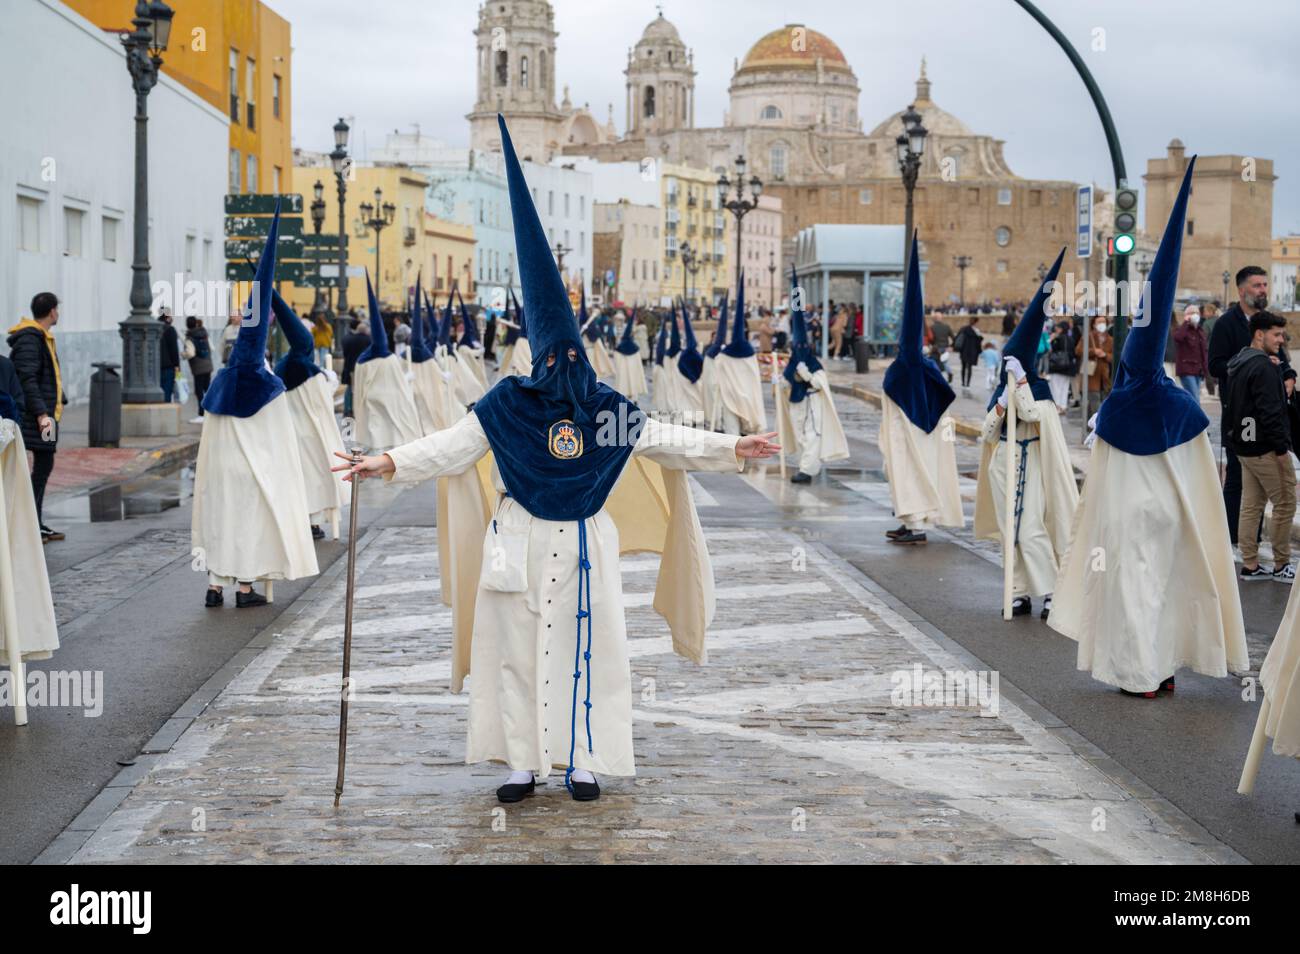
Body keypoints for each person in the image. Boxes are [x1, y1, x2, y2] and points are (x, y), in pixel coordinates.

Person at [334, 115, 781, 803]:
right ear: (541, 355)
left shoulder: (600, 404)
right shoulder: (509, 403)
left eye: (573, 355)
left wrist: (733, 448)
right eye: (556, 356)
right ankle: (520, 761)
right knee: (511, 653)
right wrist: (386, 462)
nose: (565, 365)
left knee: (592, 652)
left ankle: (582, 760)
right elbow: (455, 445)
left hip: (583, 542)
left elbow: (659, 436)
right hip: (516, 539)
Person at [1051, 157, 1248, 697]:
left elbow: (1099, 480)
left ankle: (1140, 672)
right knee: (1164, 586)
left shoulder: (1114, 410)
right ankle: (1161, 669)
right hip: (1172, 515)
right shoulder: (1185, 412)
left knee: (1133, 589)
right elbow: (1206, 480)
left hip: (1127, 519)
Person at [193, 205, 319, 608]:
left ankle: (214, 587)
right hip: (252, 472)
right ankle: (245, 590)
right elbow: (280, 441)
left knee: (220, 524)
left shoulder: (219, 383)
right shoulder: (270, 387)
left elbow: (207, 438)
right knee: (247, 527)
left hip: (222, 470)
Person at [974, 252, 1079, 620]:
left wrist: (1020, 385)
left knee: (1031, 528)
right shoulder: (1002, 390)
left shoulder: (1040, 389)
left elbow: (1035, 415)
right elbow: (987, 433)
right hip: (1004, 461)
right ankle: (1017, 591)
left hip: (1031, 461)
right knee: (1010, 534)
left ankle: (1050, 589)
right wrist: (1001, 404)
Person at [876, 239, 962, 541]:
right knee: (904, 474)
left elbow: (895, 389)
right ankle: (908, 519)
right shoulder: (922, 365)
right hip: (914, 430)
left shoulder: (909, 367)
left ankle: (916, 525)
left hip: (910, 433)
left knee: (911, 473)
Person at [1208, 264, 1283, 549]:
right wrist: (1253, 365)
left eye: (1265, 285)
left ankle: (1252, 537)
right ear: (1242, 291)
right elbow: (1215, 365)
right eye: (1257, 286)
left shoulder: (1269, 322)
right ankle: (1231, 538)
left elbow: (1283, 357)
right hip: (1241, 416)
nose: (1263, 290)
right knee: (1238, 477)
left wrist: (1288, 376)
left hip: (1269, 414)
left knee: (1263, 480)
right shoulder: (1227, 324)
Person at [1223, 310, 1296, 582]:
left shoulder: (1241, 360)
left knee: (1251, 506)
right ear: (1259, 333)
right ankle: (1281, 564)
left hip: (1245, 446)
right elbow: (1270, 412)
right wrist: (1280, 450)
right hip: (1265, 448)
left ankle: (1251, 565)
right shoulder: (1263, 366)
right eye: (1276, 334)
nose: (1281, 340)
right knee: (1286, 502)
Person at [780, 267, 849, 485]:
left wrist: (806, 373)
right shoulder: (793, 361)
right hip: (796, 403)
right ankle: (805, 466)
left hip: (812, 402)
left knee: (812, 436)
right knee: (800, 436)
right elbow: (786, 381)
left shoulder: (814, 364)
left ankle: (807, 470)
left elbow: (820, 383)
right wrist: (780, 381)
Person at [7, 291, 66, 543]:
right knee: (41, 465)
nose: (58, 313)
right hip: (39, 416)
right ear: (52, 311)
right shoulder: (31, 338)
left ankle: (35, 522)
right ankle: (29, 524)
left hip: (46, 414)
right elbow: (27, 379)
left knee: (44, 463)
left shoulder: (40, 337)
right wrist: (42, 413)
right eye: (57, 309)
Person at [353, 275, 423, 451]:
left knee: (375, 430)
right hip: (388, 400)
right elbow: (399, 380)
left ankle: (375, 453)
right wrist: (406, 378)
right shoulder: (390, 359)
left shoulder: (362, 361)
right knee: (386, 431)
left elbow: (359, 388)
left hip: (372, 400)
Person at [714, 279, 767, 435]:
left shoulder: (723, 355)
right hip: (747, 397)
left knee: (732, 432)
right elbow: (754, 379)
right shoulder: (750, 353)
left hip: (729, 395)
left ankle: (734, 454)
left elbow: (718, 372)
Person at [1172, 303, 1208, 402]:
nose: (1195, 315)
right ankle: (1198, 418)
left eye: (1197, 313)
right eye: (1192, 313)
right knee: (1194, 397)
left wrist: (1205, 370)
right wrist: (1186, 323)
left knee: (1193, 398)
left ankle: (1187, 417)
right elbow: (1178, 338)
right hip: (1186, 369)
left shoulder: (1200, 331)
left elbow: (1203, 352)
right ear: (1186, 315)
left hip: (1198, 370)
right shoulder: (1182, 329)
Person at [1076, 314, 1112, 408]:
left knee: (1105, 403)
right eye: (1099, 322)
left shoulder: (1110, 339)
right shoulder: (1088, 337)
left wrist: (1105, 355)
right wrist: (1093, 351)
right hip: (1091, 375)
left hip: (1105, 376)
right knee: (1094, 403)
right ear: (1094, 324)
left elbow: (1114, 357)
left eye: (1103, 322)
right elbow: (1078, 351)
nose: (1102, 324)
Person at [612, 309, 647, 400]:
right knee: (626, 380)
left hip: (624, 354)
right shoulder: (616, 328)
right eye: (617, 320)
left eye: (620, 320)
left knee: (629, 379)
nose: (618, 322)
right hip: (622, 352)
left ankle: (632, 398)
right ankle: (631, 398)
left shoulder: (625, 328)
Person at [185, 316, 214, 423]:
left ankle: (201, 414)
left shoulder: (190, 337)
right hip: (208, 365)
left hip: (198, 368)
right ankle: (211, 412)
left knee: (199, 391)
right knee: (207, 389)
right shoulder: (204, 334)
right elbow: (212, 348)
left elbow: (190, 353)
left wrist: (183, 354)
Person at [340, 314, 369, 418]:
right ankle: (359, 408)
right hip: (362, 367)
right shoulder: (368, 340)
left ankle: (348, 409)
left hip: (349, 366)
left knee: (350, 389)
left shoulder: (348, 339)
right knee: (361, 388)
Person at [1045, 320, 1076, 411]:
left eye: (1058, 328)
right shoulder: (1071, 338)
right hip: (1068, 367)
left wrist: (1051, 340)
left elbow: (1051, 350)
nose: (1056, 329)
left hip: (1057, 366)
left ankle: (1057, 406)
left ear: (1062, 329)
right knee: (1064, 387)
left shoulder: (1057, 338)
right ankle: (1063, 406)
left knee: (1055, 387)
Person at [953, 314, 983, 395]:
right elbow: (978, 342)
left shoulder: (963, 329)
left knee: (963, 367)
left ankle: (963, 383)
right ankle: (968, 384)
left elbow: (957, 338)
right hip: (972, 352)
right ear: (976, 322)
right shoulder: (976, 331)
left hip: (963, 351)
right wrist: (980, 351)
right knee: (969, 368)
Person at [157, 309, 180, 403]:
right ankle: (165, 414)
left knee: (158, 392)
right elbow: (174, 350)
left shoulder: (155, 328)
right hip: (168, 367)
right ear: (167, 317)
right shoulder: (170, 329)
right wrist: (177, 366)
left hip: (156, 367)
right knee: (167, 393)